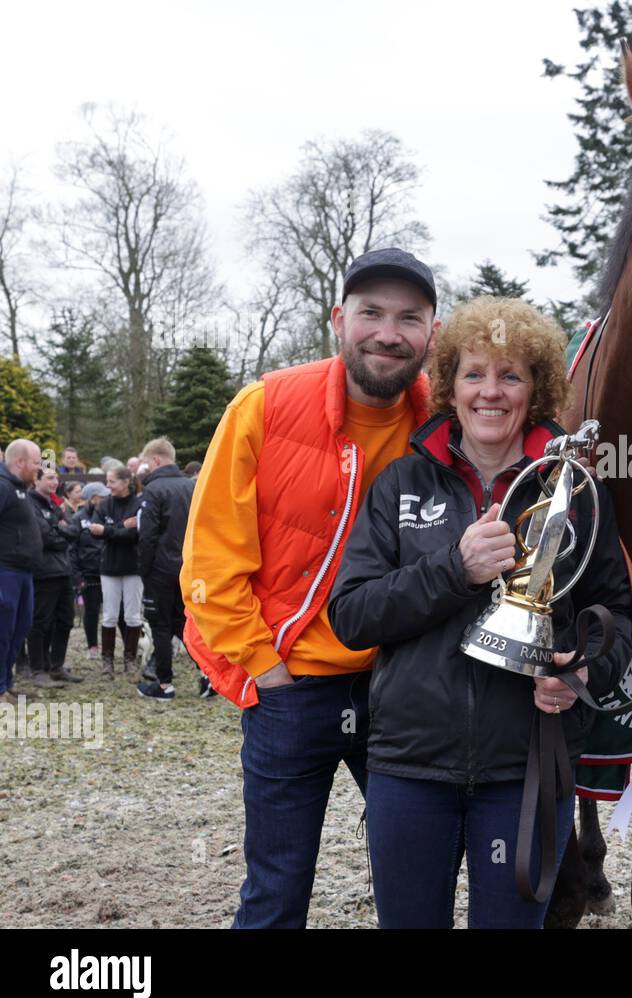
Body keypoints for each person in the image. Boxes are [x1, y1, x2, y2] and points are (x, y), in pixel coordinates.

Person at [328, 296, 632, 929]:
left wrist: (579, 675)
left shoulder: (575, 491)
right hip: (409, 767)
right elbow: (352, 616)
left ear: (537, 388)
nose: (490, 392)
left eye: (510, 375)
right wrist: (454, 570)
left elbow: (617, 619)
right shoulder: (400, 484)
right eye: (474, 374)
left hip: (526, 772)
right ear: (450, 386)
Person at [181, 247, 439, 928]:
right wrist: (266, 668)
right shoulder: (263, 405)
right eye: (371, 312)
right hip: (292, 688)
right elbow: (209, 560)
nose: (389, 331)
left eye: (409, 317)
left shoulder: (449, 425)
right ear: (338, 319)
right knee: (276, 891)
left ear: (432, 334)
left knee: (416, 885)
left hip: (400, 692)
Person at [134, 437, 197, 700]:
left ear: (156, 460)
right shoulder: (192, 487)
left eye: (147, 462)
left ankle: (164, 685)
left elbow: (147, 535)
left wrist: (143, 568)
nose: (144, 468)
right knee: (185, 623)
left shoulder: (154, 489)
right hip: (188, 567)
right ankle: (209, 677)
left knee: (160, 625)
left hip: (160, 569)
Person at [28, 468, 81, 686]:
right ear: (36, 479)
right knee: (41, 622)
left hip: (63, 570)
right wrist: (61, 533)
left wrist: (60, 532)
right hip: (44, 572)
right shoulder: (31, 504)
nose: (55, 482)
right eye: (50, 478)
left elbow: (74, 530)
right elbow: (44, 537)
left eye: (56, 478)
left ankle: (56, 665)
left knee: (66, 620)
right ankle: (38, 669)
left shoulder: (54, 504)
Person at [90, 465, 144, 675]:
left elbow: (135, 534)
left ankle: (130, 659)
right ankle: (107, 661)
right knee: (109, 615)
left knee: (133, 615)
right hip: (109, 567)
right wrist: (121, 528)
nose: (108, 485)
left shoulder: (139, 504)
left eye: (112, 481)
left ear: (125, 482)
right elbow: (94, 531)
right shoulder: (104, 505)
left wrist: (108, 531)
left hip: (133, 567)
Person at [0, 440, 43, 704]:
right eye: (37, 463)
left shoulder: (20, 489)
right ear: (20, 462)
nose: (39, 468)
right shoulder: (3, 487)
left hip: (24, 572)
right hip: (5, 572)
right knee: (2, 631)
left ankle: (7, 683)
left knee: (19, 629)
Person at [72, 482, 109, 659]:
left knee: (116, 612)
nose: (106, 499)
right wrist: (77, 575)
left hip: (110, 571)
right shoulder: (78, 518)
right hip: (89, 573)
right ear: (93, 498)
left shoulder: (109, 515)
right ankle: (92, 646)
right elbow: (72, 548)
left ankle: (127, 646)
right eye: (102, 496)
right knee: (92, 611)